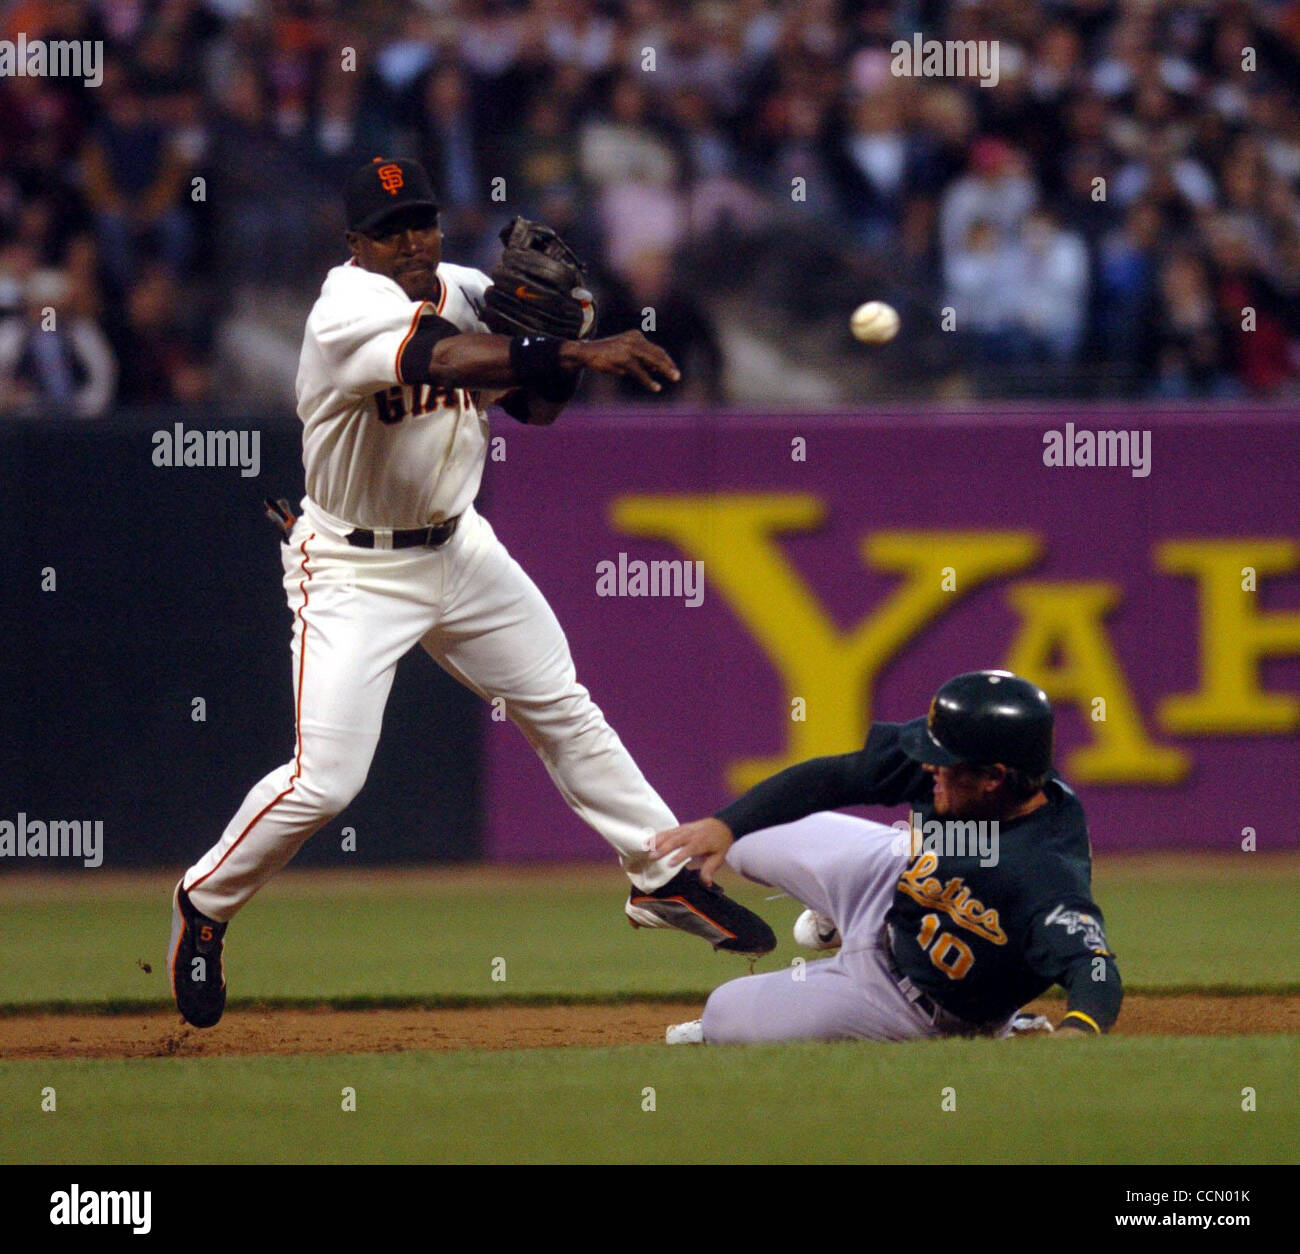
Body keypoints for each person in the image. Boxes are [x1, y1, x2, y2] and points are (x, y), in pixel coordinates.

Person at [168, 157, 775, 1029]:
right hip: (353, 567)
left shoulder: (460, 284)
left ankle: (662, 877)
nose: (413, 240)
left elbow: (535, 408)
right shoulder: (346, 311)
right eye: (391, 228)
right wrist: (574, 346)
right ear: (355, 242)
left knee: (562, 707)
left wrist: (568, 330)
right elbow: (441, 357)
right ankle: (204, 902)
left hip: (459, 547)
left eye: (421, 220)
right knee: (326, 782)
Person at [653, 670, 1122, 1045]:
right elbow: (837, 777)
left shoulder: (1042, 872)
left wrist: (1077, 1031)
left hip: (908, 1002)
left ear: (994, 777)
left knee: (722, 1014)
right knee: (752, 832)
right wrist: (726, 824)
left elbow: (1094, 967)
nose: (931, 767)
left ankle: (1000, 1024)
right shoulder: (967, 769)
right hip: (893, 881)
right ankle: (837, 916)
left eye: (944, 761)